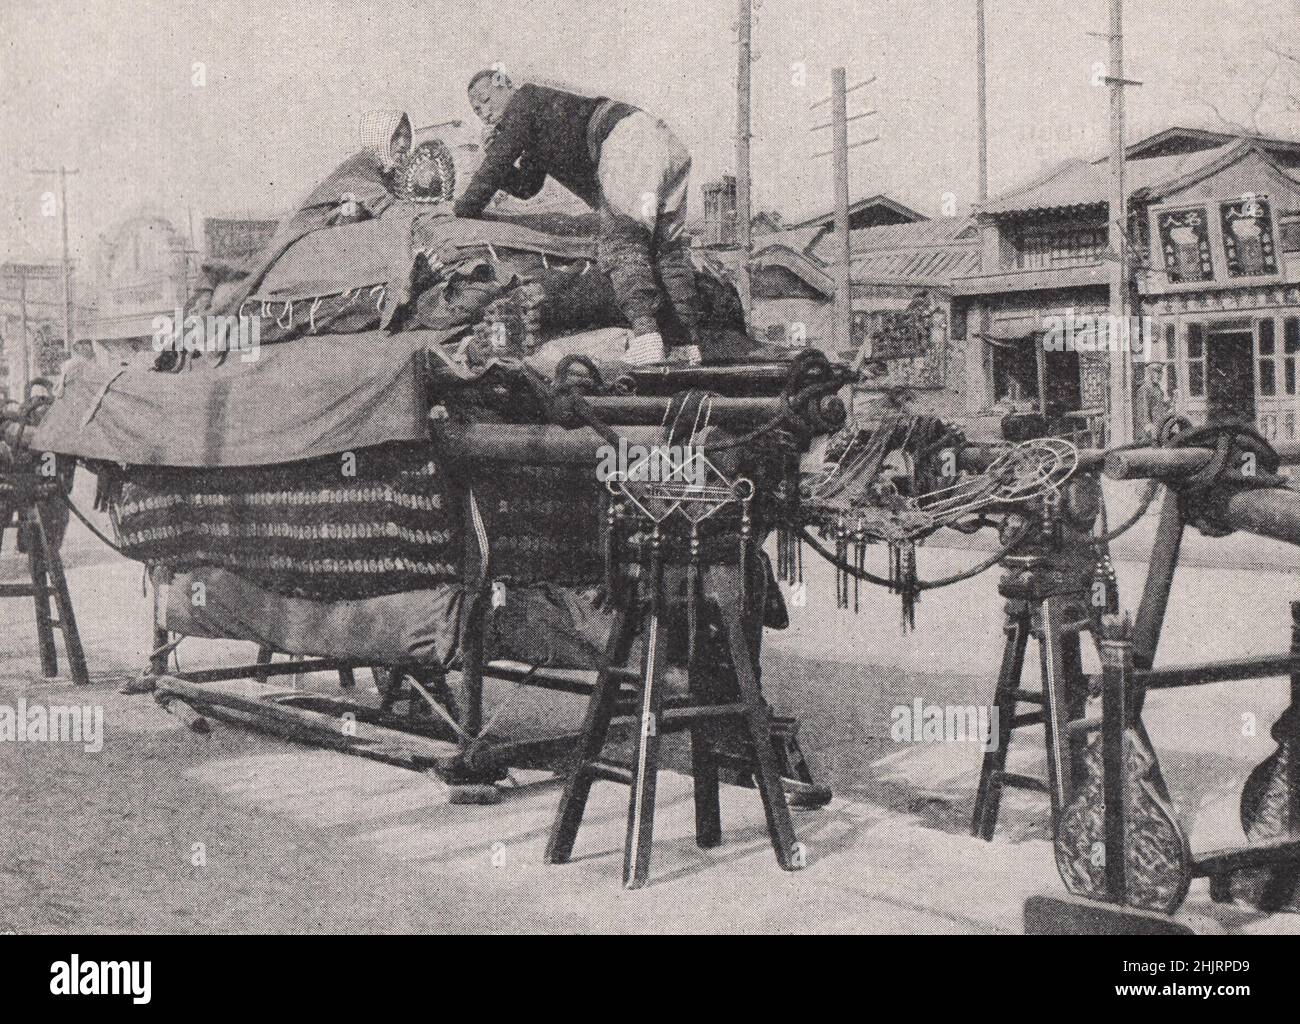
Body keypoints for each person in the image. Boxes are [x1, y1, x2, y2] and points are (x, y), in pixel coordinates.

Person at [454, 70, 701, 365]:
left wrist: (460, 212)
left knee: (621, 239)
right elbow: (527, 187)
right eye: (477, 110)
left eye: (485, 100)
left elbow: (496, 165)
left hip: (628, 138)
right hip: (660, 142)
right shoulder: (537, 117)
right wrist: (497, 148)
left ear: (504, 84)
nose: (484, 113)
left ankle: (647, 336)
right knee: (666, 251)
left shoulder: (525, 99)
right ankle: (685, 344)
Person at [199, 110, 414, 317]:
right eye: (396, 136)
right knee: (255, 274)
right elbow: (385, 206)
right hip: (308, 232)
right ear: (380, 137)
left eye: (406, 136)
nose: (403, 144)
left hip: (331, 239)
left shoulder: (388, 173)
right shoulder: (362, 167)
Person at [1135, 360, 1173, 440]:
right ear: (1149, 373)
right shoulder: (1145, 389)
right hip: (1149, 433)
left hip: (1159, 429)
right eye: (1156, 372)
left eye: (1160, 372)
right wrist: (1149, 428)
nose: (1159, 375)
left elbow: (1160, 408)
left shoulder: (1159, 389)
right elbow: (1143, 412)